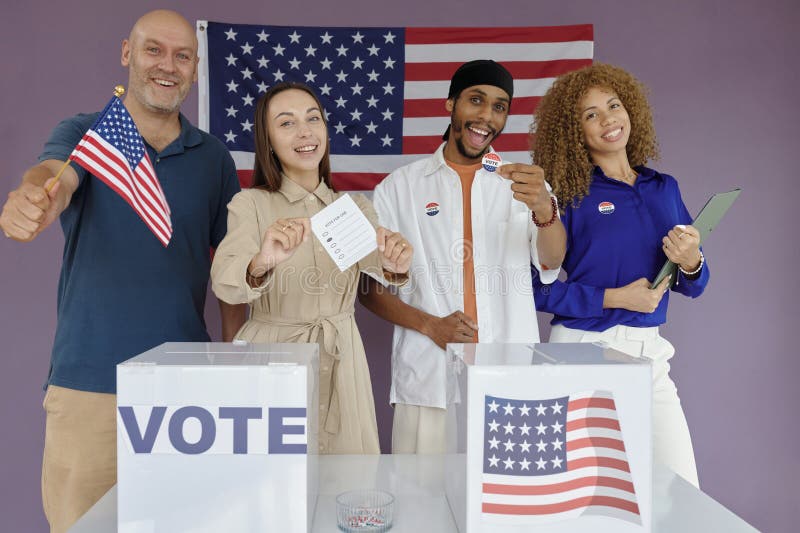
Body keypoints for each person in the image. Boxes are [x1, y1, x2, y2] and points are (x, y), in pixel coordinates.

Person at [0, 10, 246, 532]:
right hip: (88, 381)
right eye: (154, 50)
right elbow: (53, 176)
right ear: (127, 54)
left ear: (195, 70)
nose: (168, 65)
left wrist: (236, 367)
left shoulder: (215, 158)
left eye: (183, 56)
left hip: (186, 385)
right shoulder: (85, 134)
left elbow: (232, 274)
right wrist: (34, 197)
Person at [358, 60, 566, 453]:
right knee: (421, 504)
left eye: (500, 107)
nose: (486, 116)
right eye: (475, 100)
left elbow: (552, 262)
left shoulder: (524, 183)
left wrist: (544, 208)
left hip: (507, 376)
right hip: (427, 379)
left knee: (505, 507)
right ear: (451, 104)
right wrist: (432, 325)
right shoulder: (398, 188)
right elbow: (369, 289)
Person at [211, 82, 413, 455]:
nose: (305, 132)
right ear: (267, 140)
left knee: (348, 478)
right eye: (286, 123)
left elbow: (378, 262)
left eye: (313, 119)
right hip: (272, 358)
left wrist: (395, 263)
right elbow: (225, 281)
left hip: (342, 358)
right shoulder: (250, 205)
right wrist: (261, 262)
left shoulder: (352, 208)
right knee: (273, 479)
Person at [531, 63, 708, 488]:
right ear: (574, 132)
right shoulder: (564, 196)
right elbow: (538, 289)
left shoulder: (664, 187)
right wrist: (616, 298)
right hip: (585, 352)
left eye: (613, 105)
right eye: (590, 114)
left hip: (651, 353)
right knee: (590, 498)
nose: (608, 118)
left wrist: (691, 261)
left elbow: (696, 283)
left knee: (682, 491)